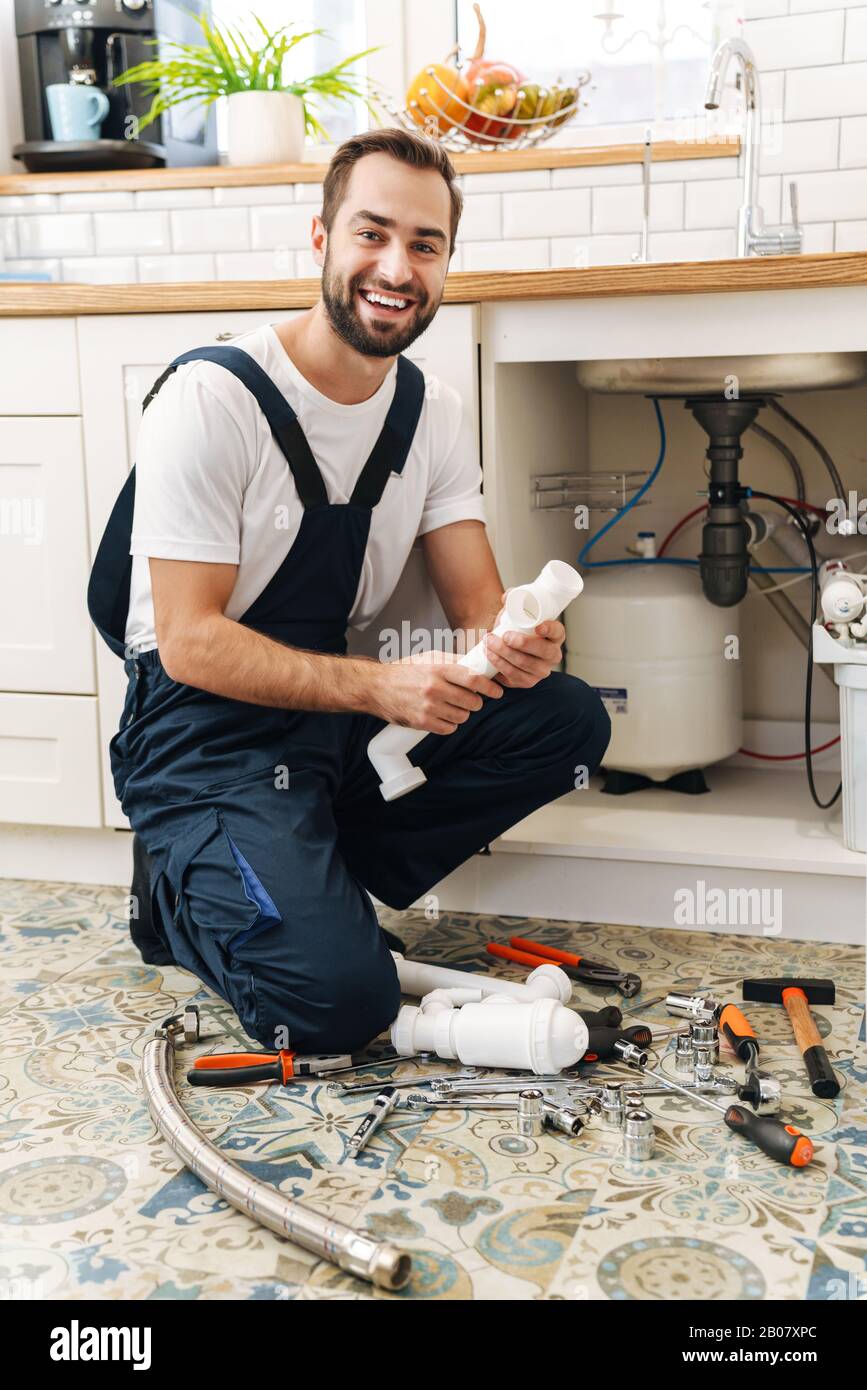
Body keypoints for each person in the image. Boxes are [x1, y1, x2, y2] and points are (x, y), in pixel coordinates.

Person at [87, 127, 611, 1056]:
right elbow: (189, 641)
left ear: (447, 262)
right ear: (321, 238)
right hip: (197, 729)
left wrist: (518, 641)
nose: (396, 266)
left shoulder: (430, 412)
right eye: (371, 233)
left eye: (424, 244)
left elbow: (475, 607)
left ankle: (305, 878)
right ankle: (181, 890)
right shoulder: (215, 400)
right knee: (333, 1008)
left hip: (327, 730)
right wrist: (380, 687)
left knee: (565, 719)